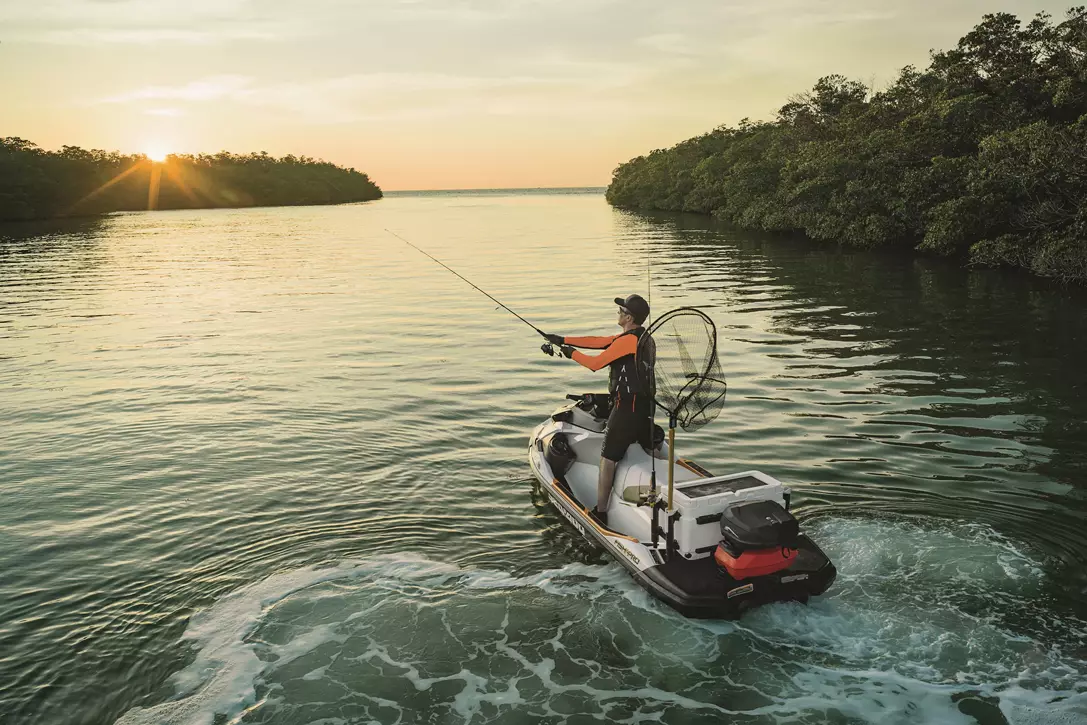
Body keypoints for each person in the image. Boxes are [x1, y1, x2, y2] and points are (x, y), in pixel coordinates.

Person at [544, 294, 654, 528]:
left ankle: (601, 511)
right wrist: (561, 338)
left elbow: (595, 364)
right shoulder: (640, 337)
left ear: (628, 317)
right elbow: (600, 341)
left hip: (627, 408)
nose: (617, 313)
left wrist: (570, 353)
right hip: (644, 405)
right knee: (649, 442)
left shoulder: (627, 341)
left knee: (608, 458)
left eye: (620, 310)